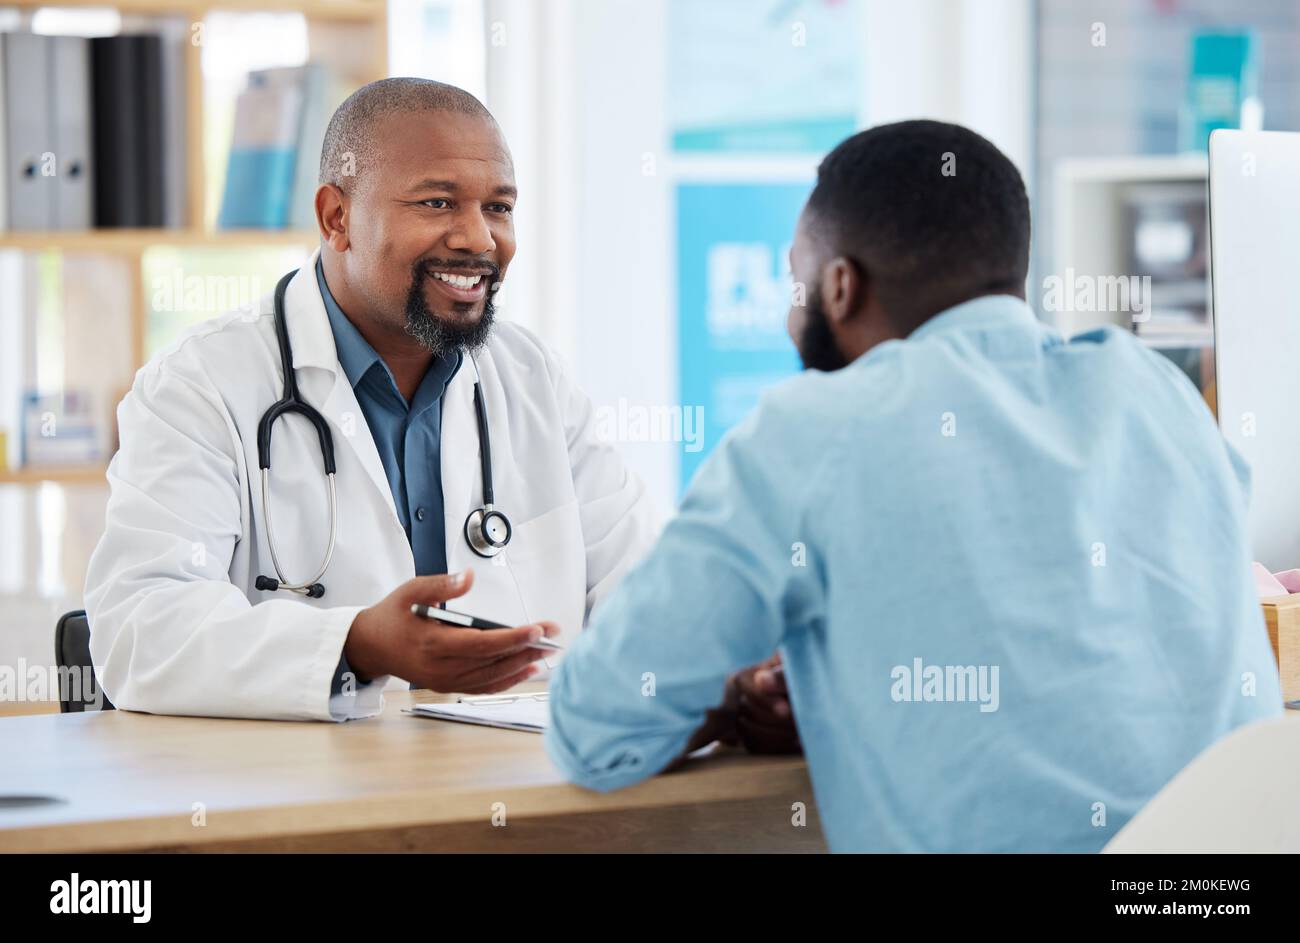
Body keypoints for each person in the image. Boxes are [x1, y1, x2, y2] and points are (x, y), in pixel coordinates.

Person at [544, 119, 1284, 852]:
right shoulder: (1158, 393)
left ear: (840, 286)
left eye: (794, 282)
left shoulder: (816, 428)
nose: (786, 313)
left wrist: (730, 697)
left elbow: (596, 727)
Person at [84, 79, 657, 722]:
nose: (478, 239)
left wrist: (722, 678)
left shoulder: (533, 379)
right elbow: (141, 630)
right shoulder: (201, 384)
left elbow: (645, 590)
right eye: (438, 203)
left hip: (520, 792)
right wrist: (356, 647)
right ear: (337, 217)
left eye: (498, 207)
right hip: (306, 801)